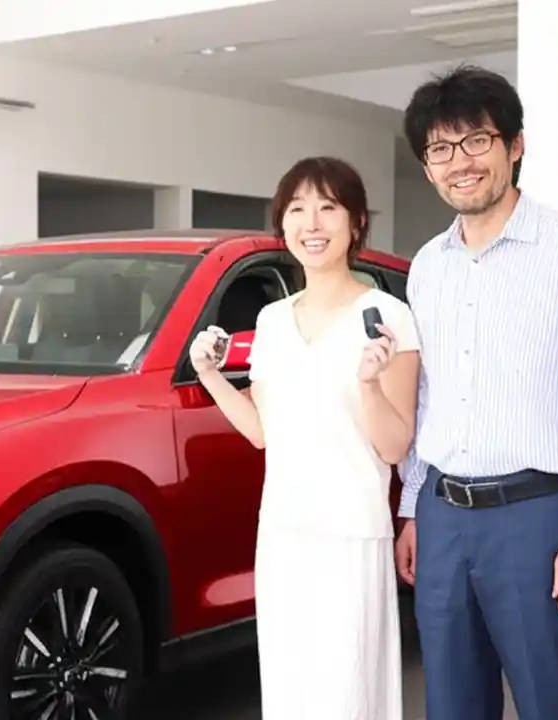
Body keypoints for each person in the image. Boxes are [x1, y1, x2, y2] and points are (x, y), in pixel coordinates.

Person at [394, 65, 558, 720]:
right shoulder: (426, 266)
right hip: (444, 517)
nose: (461, 162)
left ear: (515, 144)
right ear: (427, 167)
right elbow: (426, 400)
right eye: (441, 150)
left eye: (477, 140)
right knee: (452, 706)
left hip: (537, 521)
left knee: (552, 704)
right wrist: (414, 507)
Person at [189, 156, 421, 719]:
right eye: (297, 210)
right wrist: (211, 375)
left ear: (356, 223)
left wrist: (368, 385)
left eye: (327, 208)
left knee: (347, 696)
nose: (311, 224)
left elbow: (394, 447)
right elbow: (262, 432)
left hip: (350, 533)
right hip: (284, 534)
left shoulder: (387, 316)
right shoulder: (271, 320)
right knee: (291, 693)